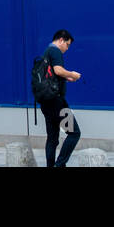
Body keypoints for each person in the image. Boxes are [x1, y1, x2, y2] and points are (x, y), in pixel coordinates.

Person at [41, 29, 81, 167]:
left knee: (52, 139)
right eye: (67, 45)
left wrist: (67, 78)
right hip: (57, 102)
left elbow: (52, 75)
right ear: (61, 40)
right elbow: (58, 70)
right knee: (74, 133)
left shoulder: (46, 53)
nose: (67, 48)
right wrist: (73, 74)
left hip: (45, 102)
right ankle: (59, 165)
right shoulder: (55, 51)